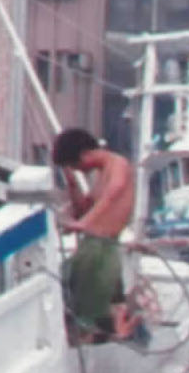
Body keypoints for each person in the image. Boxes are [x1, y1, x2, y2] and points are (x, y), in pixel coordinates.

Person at [50, 128, 140, 343]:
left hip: (102, 249)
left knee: (89, 312)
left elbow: (112, 194)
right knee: (69, 294)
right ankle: (116, 329)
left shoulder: (118, 164)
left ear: (84, 155)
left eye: (75, 165)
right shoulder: (101, 175)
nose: (78, 170)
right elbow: (84, 208)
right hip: (92, 247)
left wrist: (83, 224)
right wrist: (71, 184)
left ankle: (112, 333)